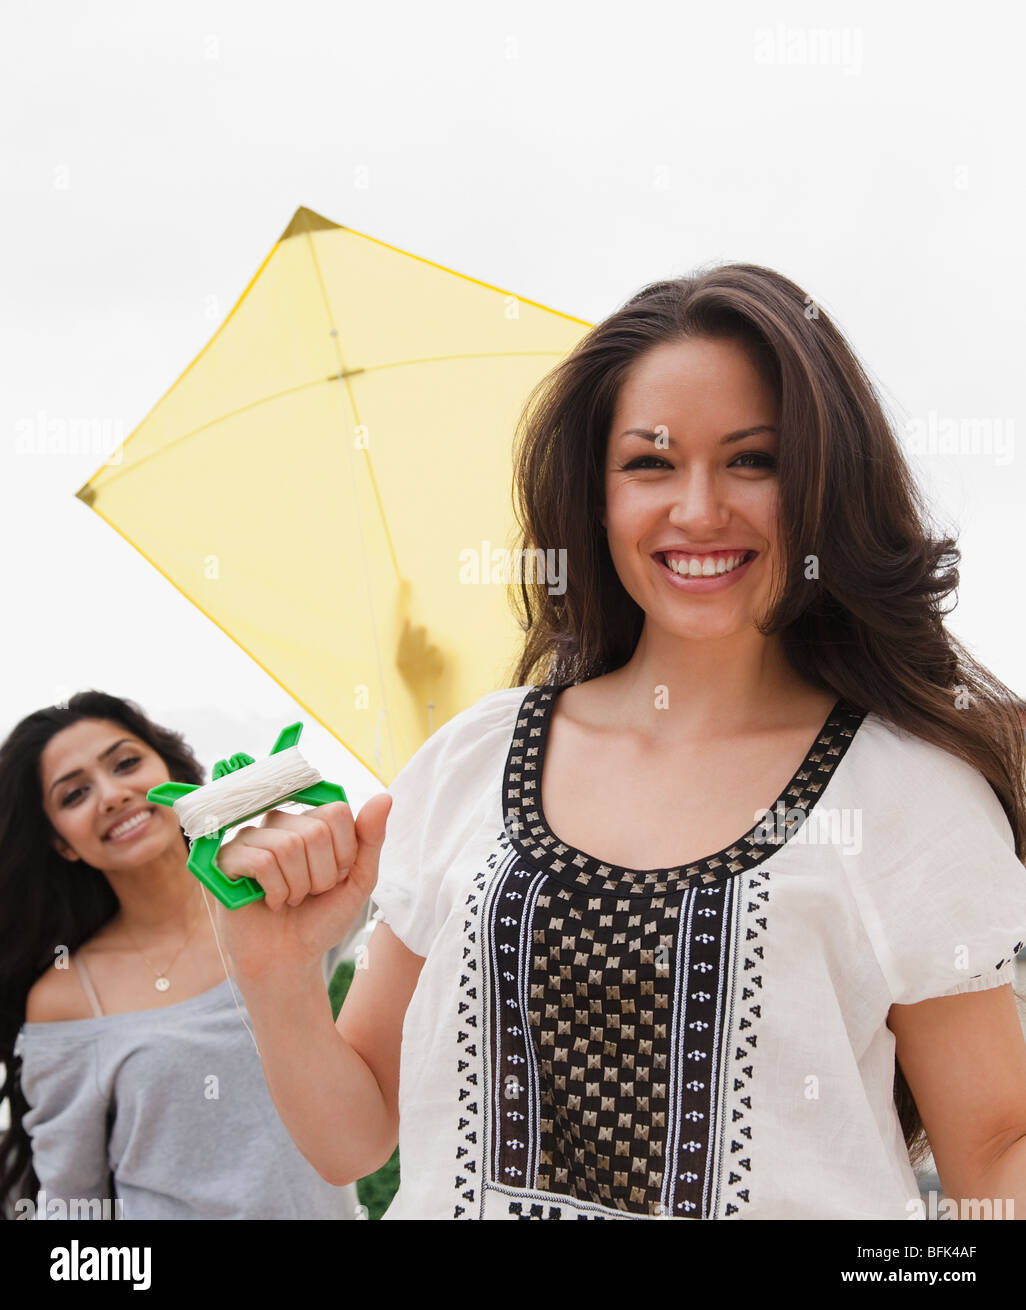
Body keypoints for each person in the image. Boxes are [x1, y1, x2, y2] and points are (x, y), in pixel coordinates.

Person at [210, 264, 1026, 1220]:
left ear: (821, 489)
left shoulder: (907, 795)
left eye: (753, 460)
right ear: (596, 501)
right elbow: (356, 1132)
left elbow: (991, 1155)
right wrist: (273, 972)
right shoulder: (476, 757)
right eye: (651, 463)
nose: (699, 509)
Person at [0, 691, 360, 1220]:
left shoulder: (279, 902)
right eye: (74, 795)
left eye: (125, 763)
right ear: (63, 845)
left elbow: (414, 899)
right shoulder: (66, 997)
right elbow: (74, 1210)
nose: (112, 795)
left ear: (173, 772)